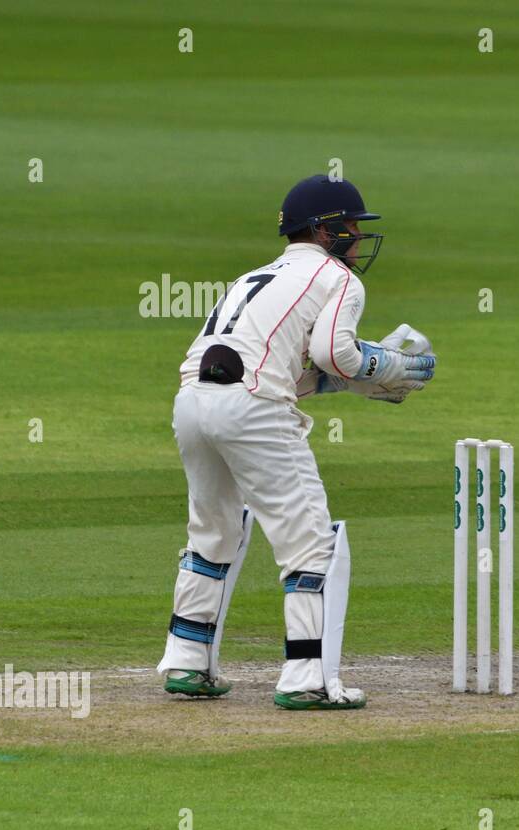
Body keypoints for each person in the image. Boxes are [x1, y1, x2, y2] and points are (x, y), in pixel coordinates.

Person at [157, 175, 436, 709]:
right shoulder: (338, 279)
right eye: (352, 226)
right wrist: (391, 367)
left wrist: (358, 377)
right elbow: (337, 355)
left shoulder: (254, 276)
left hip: (192, 403)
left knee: (212, 530)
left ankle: (188, 663)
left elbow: (294, 371)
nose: (358, 236)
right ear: (326, 231)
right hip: (254, 410)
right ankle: (307, 678)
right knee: (310, 543)